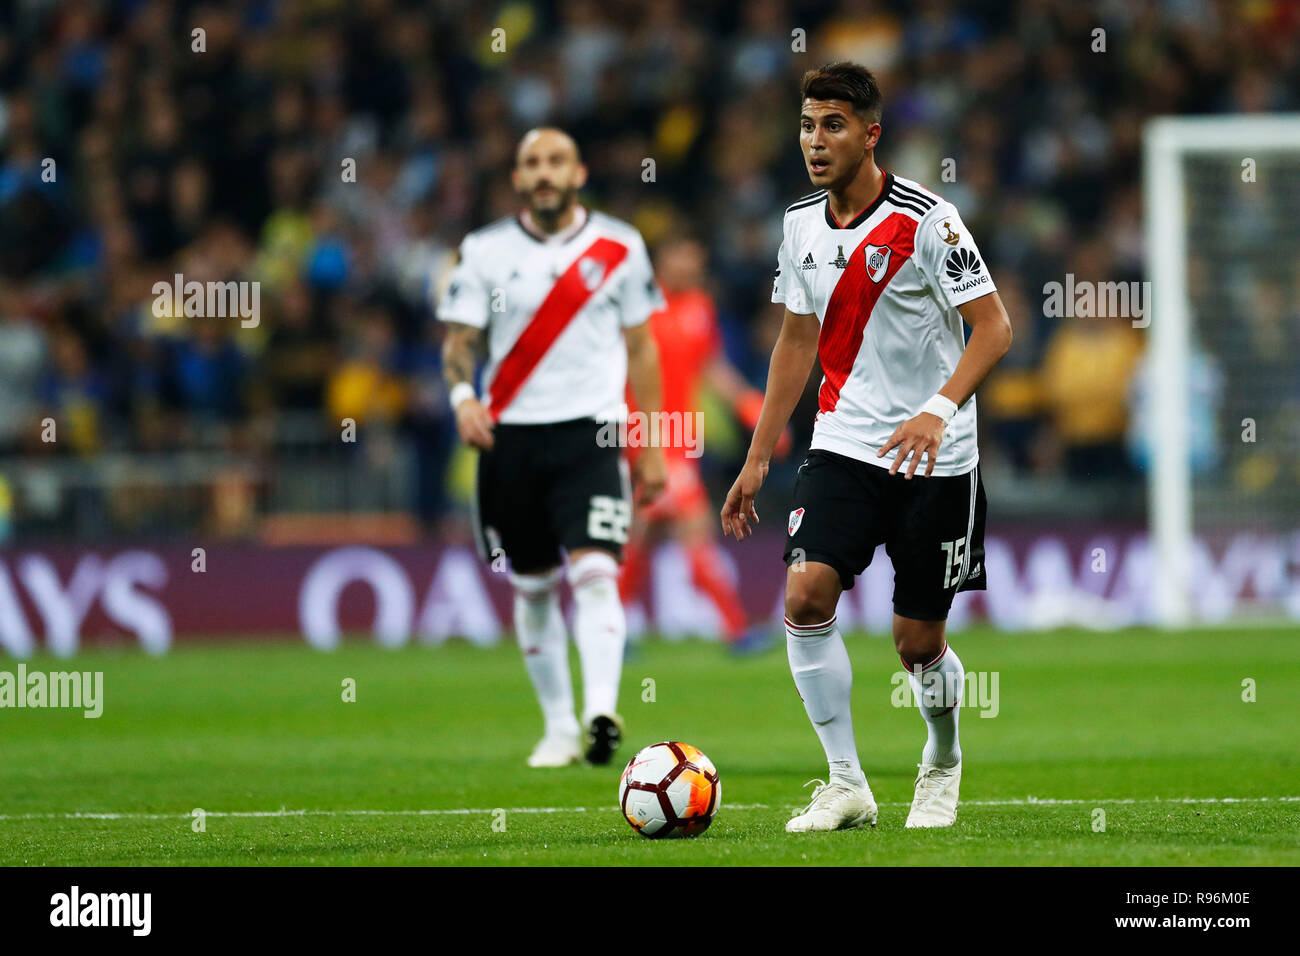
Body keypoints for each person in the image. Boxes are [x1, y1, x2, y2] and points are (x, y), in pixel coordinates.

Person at [721, 63, 1013, 830]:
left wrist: (939, 409)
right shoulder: (798, 226)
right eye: (809, 125)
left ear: (870, 135)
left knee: (918, 644)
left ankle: (942, 758)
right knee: (805, 594)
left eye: (834, 126)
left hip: (935, 458)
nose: (816, 141)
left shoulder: (929, 220)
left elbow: (996, 328)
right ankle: (846, 782)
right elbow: (795, 340)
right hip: (843, 443)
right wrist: (757, 458)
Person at [438, 128, 666, 767]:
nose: (544, 173)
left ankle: (600, 710)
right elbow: (459, 340)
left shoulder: (620, 246)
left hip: (591, 432)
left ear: (579, 172)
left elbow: (643, 347)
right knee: (533, 586)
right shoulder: (483, 251)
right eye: (532, 163)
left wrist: (650, 447)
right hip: (510, 439)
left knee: (596, 573)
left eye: (556, 161)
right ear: (516, 178)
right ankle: (559, 726)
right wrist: (463, 400)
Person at [619, 235, 788, 653]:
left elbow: (712, 367)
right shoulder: (635, 306)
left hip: (680, 439)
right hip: (645, 438)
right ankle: (736, 630)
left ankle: (611, 631)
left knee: (642, 539)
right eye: (685, 256)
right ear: (664, 259)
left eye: (698, 259)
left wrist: (752, 407)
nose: (693, 266)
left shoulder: (699, 307)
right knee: (691, 530)